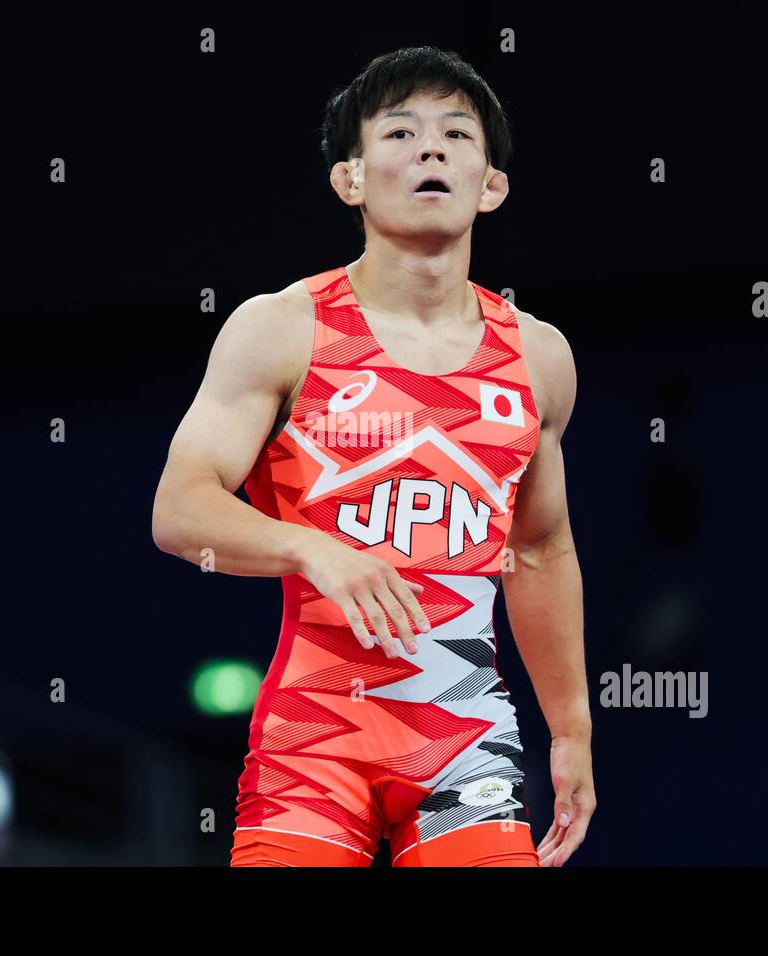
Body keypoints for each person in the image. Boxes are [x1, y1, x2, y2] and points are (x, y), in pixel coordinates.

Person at [153, 46, 594, 867]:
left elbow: (537, 549)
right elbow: (180, 509)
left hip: (465, 736)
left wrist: (570, 729)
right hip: (314, 738)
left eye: (457, 135)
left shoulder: (539, 357)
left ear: (490, 185)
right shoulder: (281, 328)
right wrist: (312, 547)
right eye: (401, 131)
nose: (431, 149)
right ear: (349, 180)